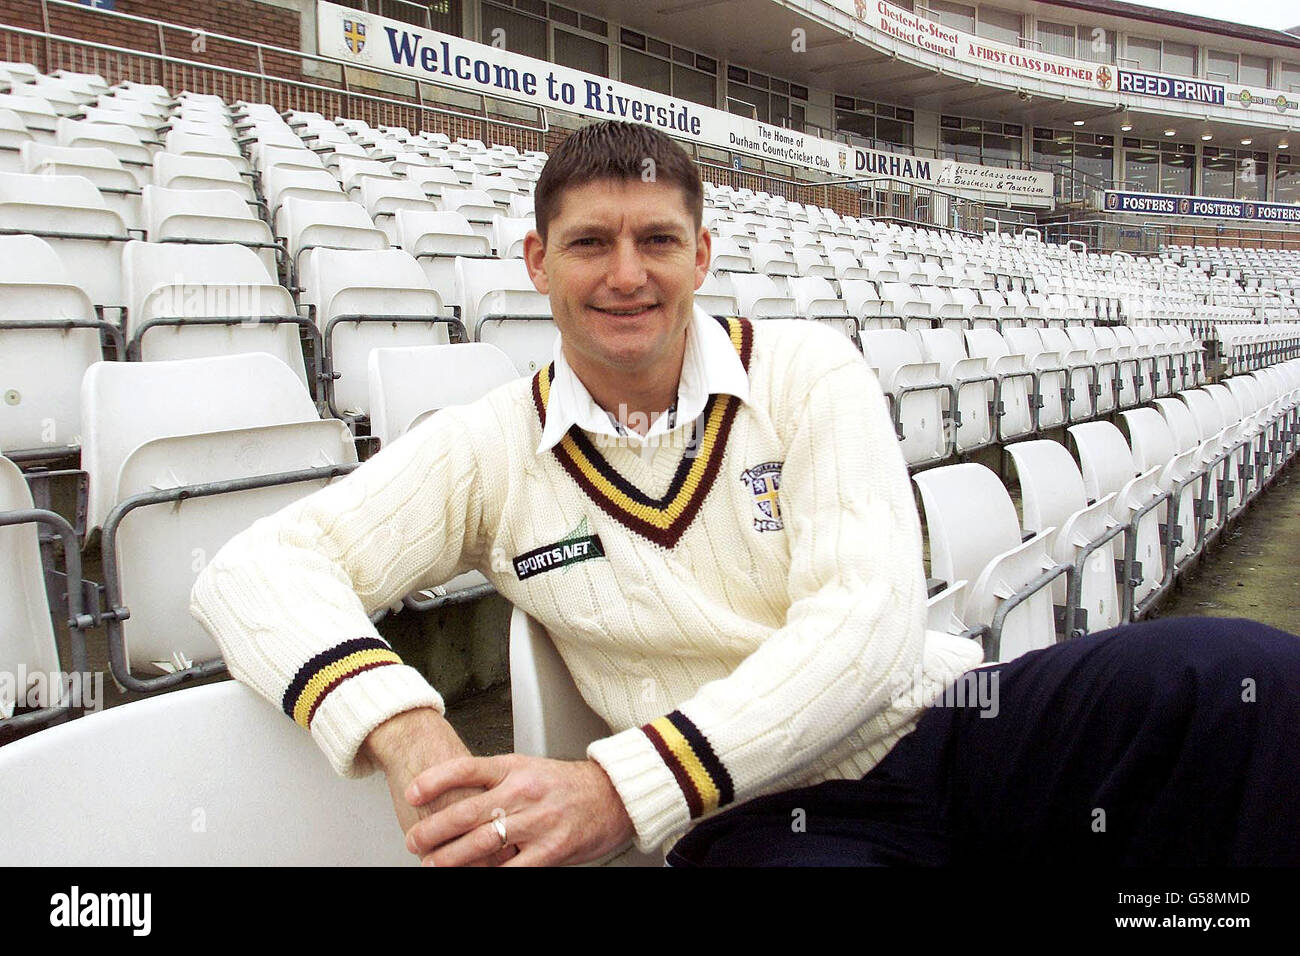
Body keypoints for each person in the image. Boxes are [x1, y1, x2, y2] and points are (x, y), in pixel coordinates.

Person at [191, 120, 1300, 867]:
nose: (625, 273)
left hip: (950, 721)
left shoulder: (807, 370)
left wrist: (617, 788)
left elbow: (864, 630)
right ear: (537, 261)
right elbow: (255, 568)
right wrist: (410, 729)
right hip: (755, 815)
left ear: (701, 252)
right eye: (589, 243)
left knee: (1243, 675)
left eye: (655, 240)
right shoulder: (490, 445)